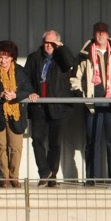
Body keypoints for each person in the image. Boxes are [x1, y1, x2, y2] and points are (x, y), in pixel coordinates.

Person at [72, 22, 111, 185]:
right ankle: (92, 177)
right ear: (94, 34)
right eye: (98, 32)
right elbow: (74, 78)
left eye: (103, 32)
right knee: (92, 142)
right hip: (92, 105)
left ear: (108, 34)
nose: (101, 35)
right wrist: (81, 96)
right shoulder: (84, 55)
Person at [25, 30, 76, 186]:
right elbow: (25, 79)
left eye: (53, 43)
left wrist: (61, 48)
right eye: (46, 42)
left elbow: (70, 63)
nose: (49, 45)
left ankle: (52, 175)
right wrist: (31, 92)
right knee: (37, 140)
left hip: (58, 106)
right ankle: (44, 172)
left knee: (55, 143)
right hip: (39, 106)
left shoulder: (61, 57)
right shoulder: (34, 58)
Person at [0, 40, 30, 187]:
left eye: (6, 57)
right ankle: (4, 177)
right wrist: (0, 94)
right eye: (0, 56)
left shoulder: (20, 71)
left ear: (12, 57)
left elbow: (28, 89)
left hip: (15, 114)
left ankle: (14, 176)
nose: (3, 60)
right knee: (1, 147)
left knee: (16, 147)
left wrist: (15, 95)